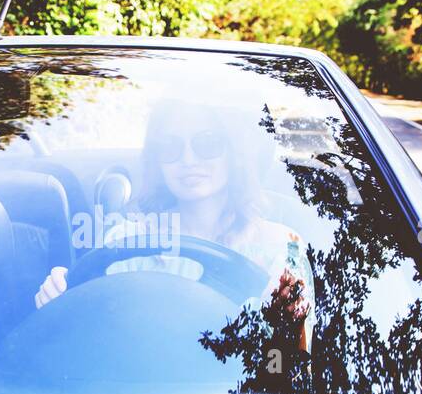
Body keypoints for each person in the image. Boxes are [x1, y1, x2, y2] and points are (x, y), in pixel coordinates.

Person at [34, 98, 313, 349]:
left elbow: (290, 368)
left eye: (207, 143)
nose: (188, 160)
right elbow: (91, 345)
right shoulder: (125, 241)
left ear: (234, 151)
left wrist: (289, 325)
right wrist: (61, 303)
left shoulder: (281, 248)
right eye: (170, 147)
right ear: (157, 160)